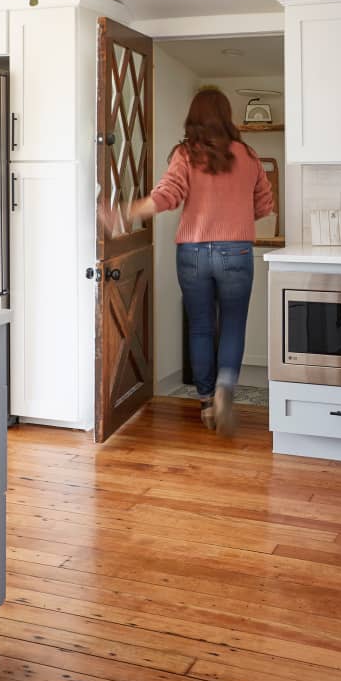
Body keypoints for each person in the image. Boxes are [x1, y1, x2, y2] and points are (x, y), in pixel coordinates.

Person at [127, 87, 274, 435]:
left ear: (193, 117)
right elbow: (265, 205)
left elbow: (167, 196)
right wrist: (237, 211)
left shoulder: (185, 154)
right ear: (226, 117)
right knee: (233, 325)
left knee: (201, 327)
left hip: (192, 252)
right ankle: (225, 387)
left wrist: (129, 212)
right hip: (236, 251)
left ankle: (207, 401)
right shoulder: (249, 155)